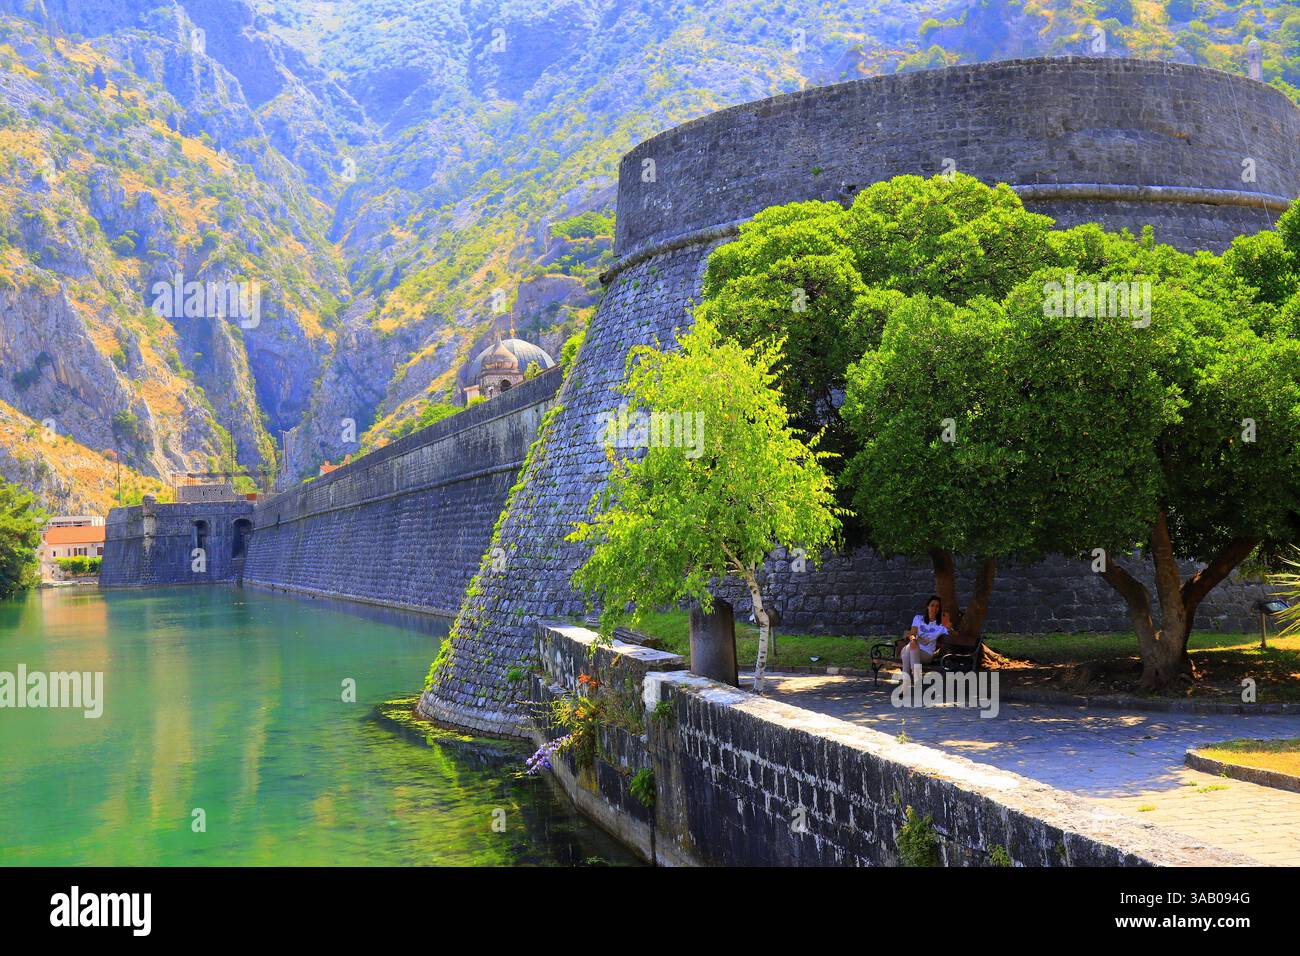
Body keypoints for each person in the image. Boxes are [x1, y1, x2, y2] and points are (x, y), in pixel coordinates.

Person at [901, 595, 956, 677]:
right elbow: (912, 634)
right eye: (932, 605)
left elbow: (954, 636)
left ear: (939, 609)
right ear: (928, 606)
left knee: (906, 652)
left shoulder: (941, 625)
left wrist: (950, 628)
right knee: (911, 647)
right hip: (913, 648)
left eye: (937, 606)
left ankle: (908, 679)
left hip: (927, 654)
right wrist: (916, 640)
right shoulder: (918, 618)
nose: (934, 608)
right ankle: (914, 679)